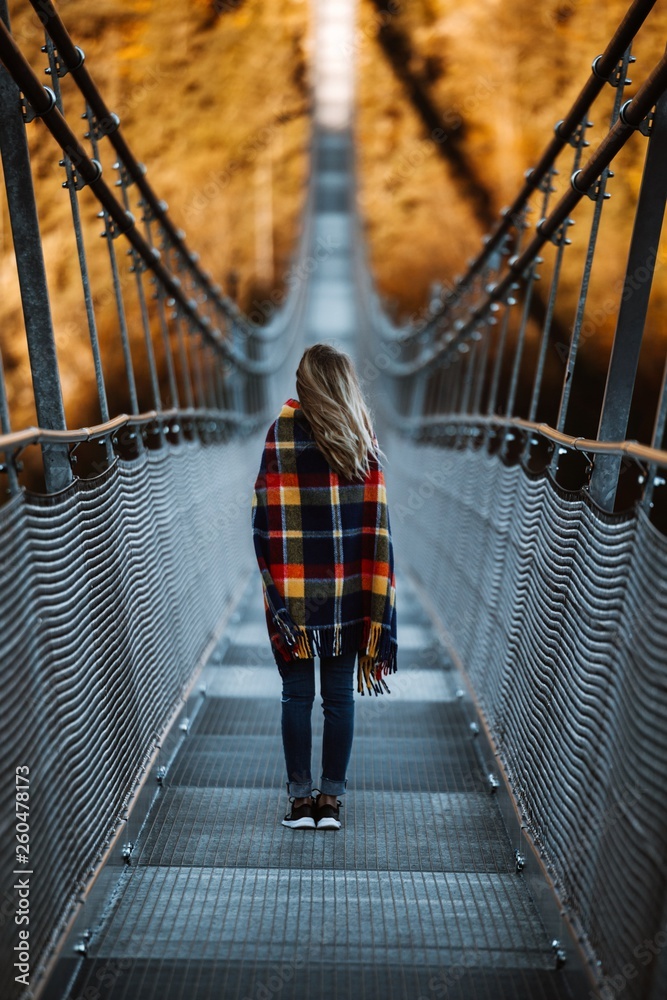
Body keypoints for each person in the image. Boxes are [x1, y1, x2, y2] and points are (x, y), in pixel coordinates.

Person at [251, 343, 398, 831]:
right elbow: (376, 526)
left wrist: (274, 586)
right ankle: (330, 802)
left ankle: (299, 803)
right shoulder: (363, 438)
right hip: (347, 596)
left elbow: (262, 517)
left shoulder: (281, 434)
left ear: (305, 385)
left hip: (296, 596)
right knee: (339, 697)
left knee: (296, 695)